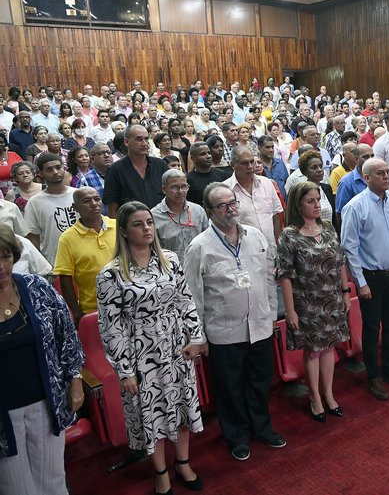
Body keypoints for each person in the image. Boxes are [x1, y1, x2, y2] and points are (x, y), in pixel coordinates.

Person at [97, 202, 205, 495]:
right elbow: (111, 327)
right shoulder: (110, 274)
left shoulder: (169, 259)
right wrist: (124, 371)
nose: (146, 228)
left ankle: (182, 463)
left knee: (182, 407)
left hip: (176, 346)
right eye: (138, 224)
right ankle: (161, 473)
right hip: (140, 355)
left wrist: (195, 338)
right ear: (123, 231)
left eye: (149, 222)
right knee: (151, 415)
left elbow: (185, 300)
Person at [184, 183, 285, 461]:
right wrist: (198, 337)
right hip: (224, 332)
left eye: (233, 203)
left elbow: (268, 278)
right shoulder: (199, 247)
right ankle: (237, 436)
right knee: (230, 389)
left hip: (260, 325)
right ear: (209, 211)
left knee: (260, 381)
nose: (230, 210)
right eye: (222, 206)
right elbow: (192, 296)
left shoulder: (255, 235)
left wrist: (271, 315)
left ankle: (262, 427)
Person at [0, 225, 84, 495]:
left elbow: (66, 335)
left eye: (6, 257)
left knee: (53, 482)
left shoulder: (36, 288)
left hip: (46, 403)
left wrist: (75, 380)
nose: (1, 266)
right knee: (17, 488)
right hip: (4, 415)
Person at [341, 158, 389, 401]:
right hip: (371, 277)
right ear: (367, 178)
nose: (386, 176)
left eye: (387, 172)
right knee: (372, 328)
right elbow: (349, 248)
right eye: (380, 173)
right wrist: (360, 282)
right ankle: (373, 376)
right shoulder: (355, 207)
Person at [277, 182, 350, 422]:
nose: (317, 205)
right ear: (298, 206)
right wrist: (290, 311)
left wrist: (346, 291)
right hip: (307, 303)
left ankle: (328, 393)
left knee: (329, 347)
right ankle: (315, 397)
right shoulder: (289, 235)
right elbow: (285, 275)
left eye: (318, 199)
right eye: (310, 201)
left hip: (332, 298)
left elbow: (340, 261)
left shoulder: (327, 228)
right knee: (313, 351)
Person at [53, 187, 116, 323]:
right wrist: (76, 313)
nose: (94, 204)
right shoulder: (67, 238)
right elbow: (65, 278)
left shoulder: (117, 226)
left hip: (127, 301)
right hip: (94, 309)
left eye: (97, 199)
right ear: (75, 207)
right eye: (86, 201)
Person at [25, 153, 78, 265]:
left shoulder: (77, 194)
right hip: (53, 261)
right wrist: (41, 264)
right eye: (49, 169)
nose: (55, 172)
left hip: (83, 256)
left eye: (58, 167)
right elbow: (33, 237)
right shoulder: (34, 202)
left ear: (64, 168)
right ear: (41, 173)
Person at [103, 125, 167, 216]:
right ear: (126, 142)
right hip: (131, 223)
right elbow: (112, 209)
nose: (144, 143)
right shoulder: (115, 170)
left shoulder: (160, 165)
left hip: (162, 220)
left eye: (146, 139)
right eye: (139, 139)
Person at [151, 169, 209, 261]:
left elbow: (207, 240)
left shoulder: (198, 211)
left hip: (199, 265)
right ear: (164, 189)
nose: (181, 191)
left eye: (184, 186)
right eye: (175, 187)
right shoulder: (154, 216)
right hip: (171, 267)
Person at [334, 144, 373, 214]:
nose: (370, 160)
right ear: (356, 159)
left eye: (372, 156)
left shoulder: (377, 178)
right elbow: (341, 212)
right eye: (366, 157)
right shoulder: (346, 183)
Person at [0, 132, 24, 197]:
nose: (0, 144)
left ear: (5, 143)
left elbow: (23, 168)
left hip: (17, 190)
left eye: (1, 142)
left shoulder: (13, 155)